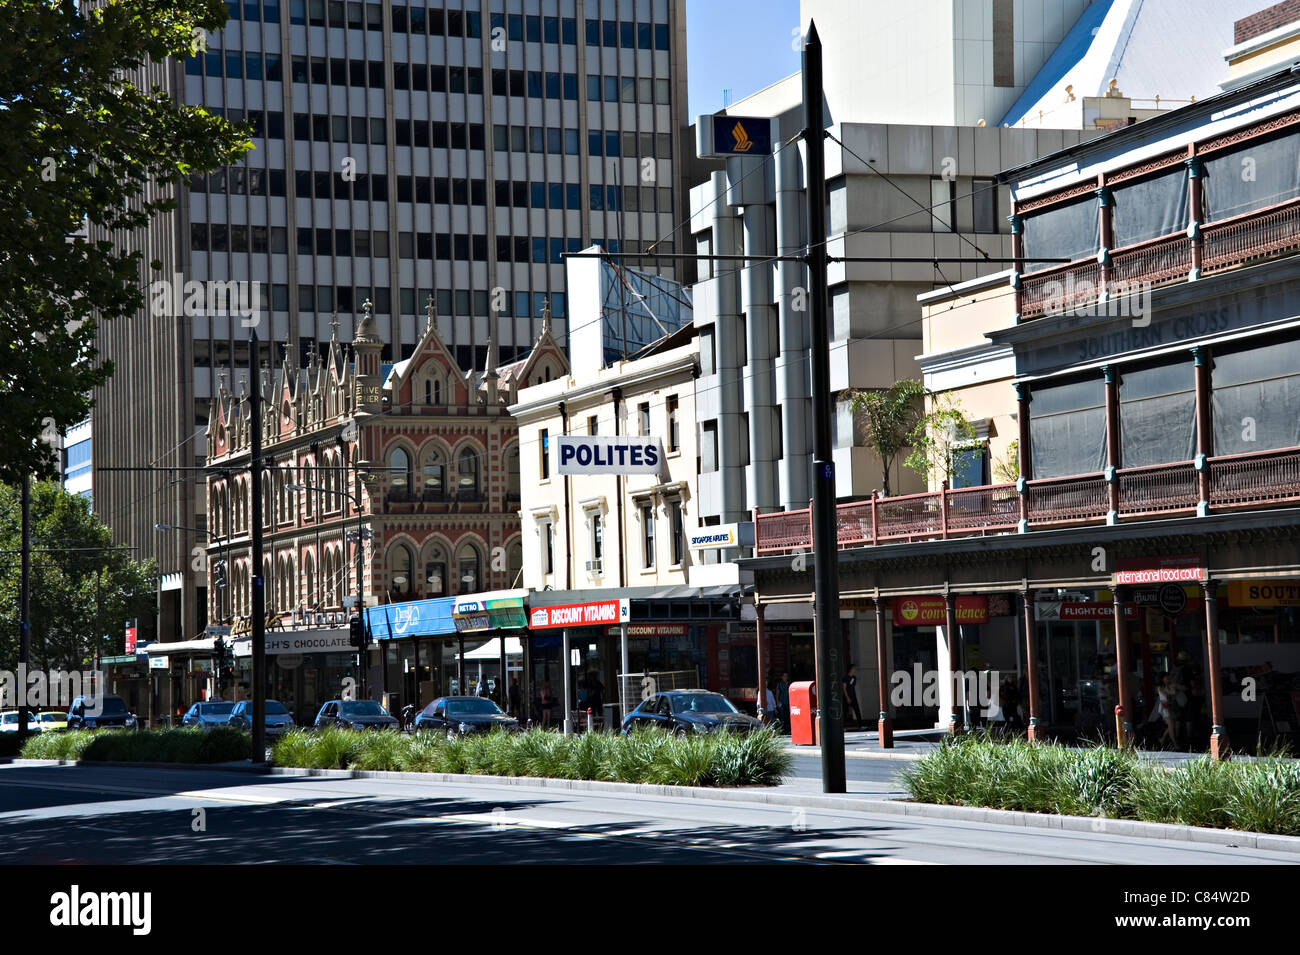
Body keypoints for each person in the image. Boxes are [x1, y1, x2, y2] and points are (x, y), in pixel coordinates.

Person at [842, 664, 863, 731]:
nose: (855, 670)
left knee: (857, 711)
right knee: (845, 712)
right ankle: (843, 727)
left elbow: (852, 686)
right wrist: (847, 697)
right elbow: (844, 688)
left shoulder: (854, 677)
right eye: (854, 669)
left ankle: (861, 725)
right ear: (850, 669)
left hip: (853, 696)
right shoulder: (845, 677)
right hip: (847, 697)